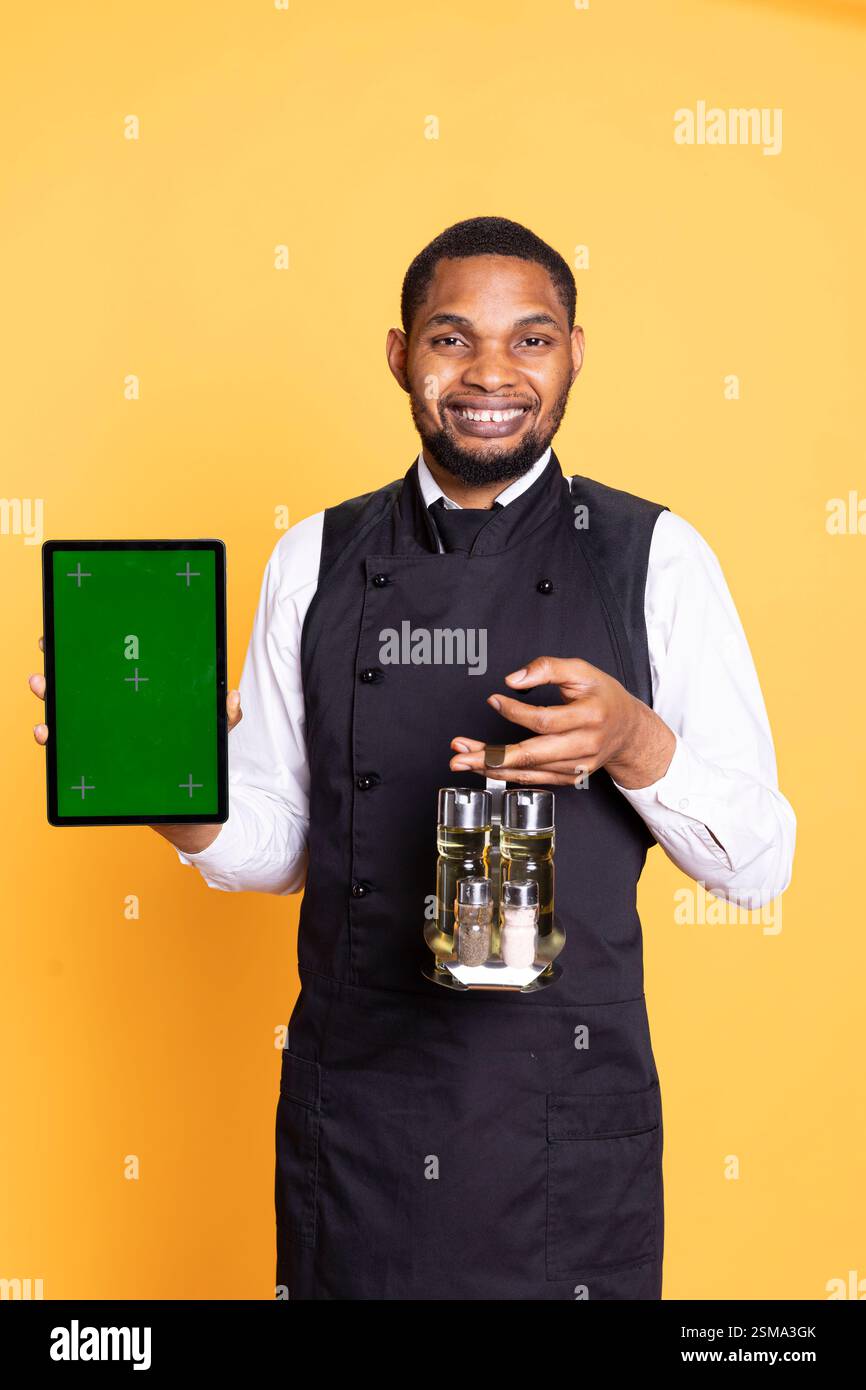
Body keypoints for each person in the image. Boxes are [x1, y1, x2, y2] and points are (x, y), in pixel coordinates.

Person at [30, 216, 795, 1301]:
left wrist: (634, 741)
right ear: (399, 354)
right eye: (450, 339)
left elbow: (759, 864)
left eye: (529, 341)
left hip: (563, 1134)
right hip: (360, 1131)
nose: (490, 373)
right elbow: (277, 846)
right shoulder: (317, 558)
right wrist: (162, 784)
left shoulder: (654, 557)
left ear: (575, 352)